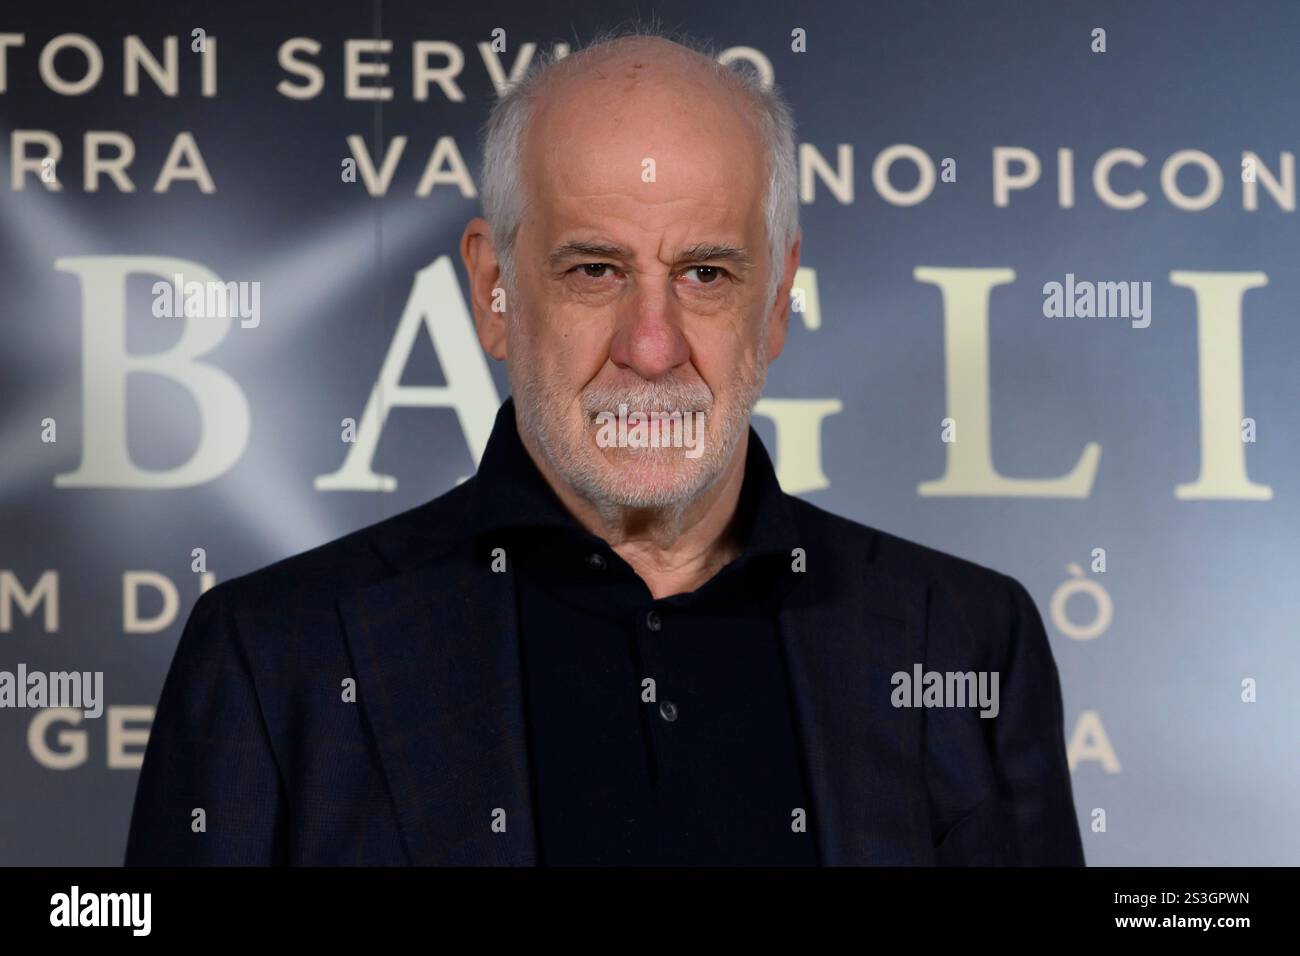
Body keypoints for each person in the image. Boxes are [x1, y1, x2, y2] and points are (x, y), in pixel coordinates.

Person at [125, 28, 1084, 866]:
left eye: (706, 273)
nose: (652, 345)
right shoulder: (273, 657)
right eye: (595, 270)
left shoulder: (964, 642)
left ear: (777, 299)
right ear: (494, 292)